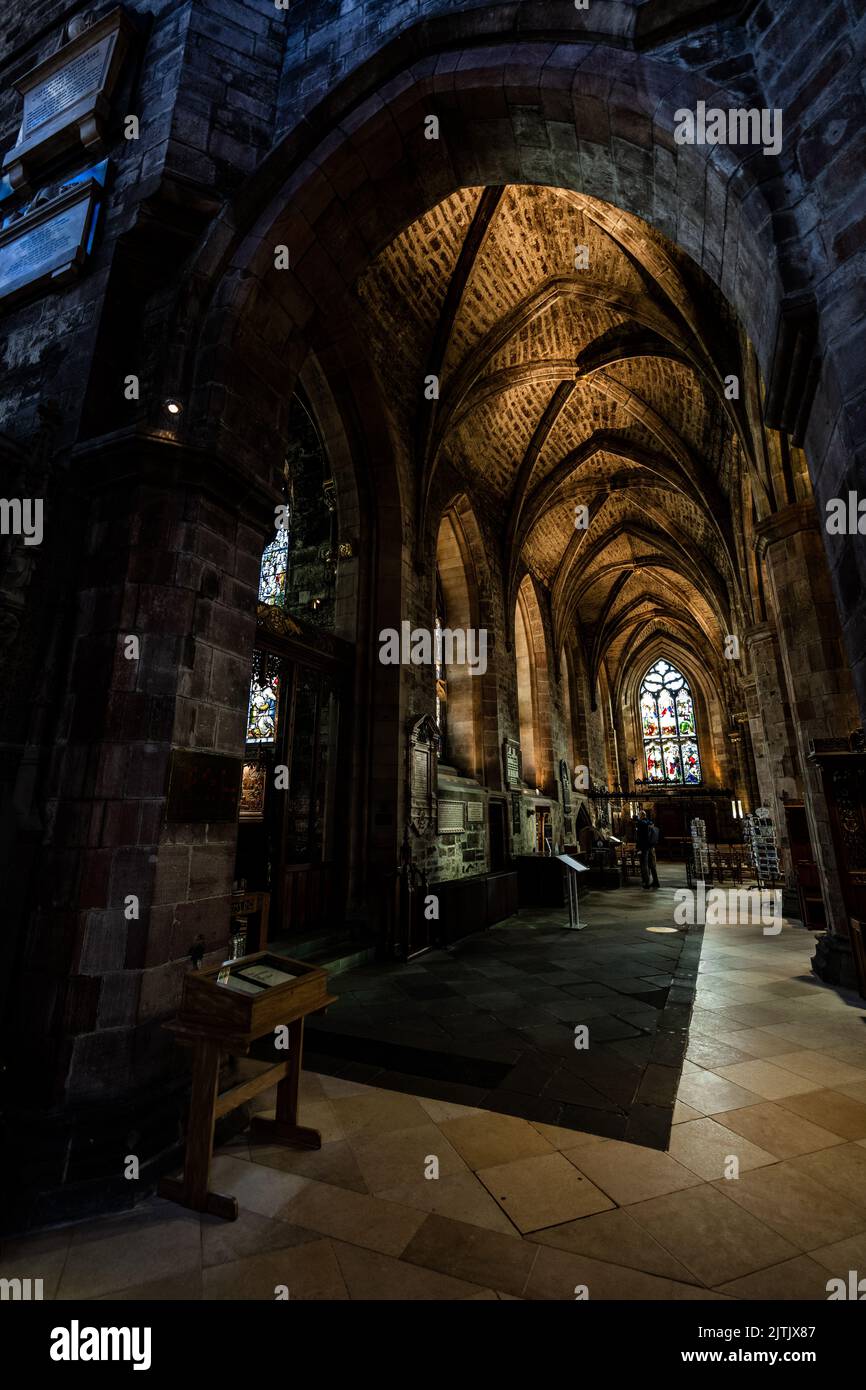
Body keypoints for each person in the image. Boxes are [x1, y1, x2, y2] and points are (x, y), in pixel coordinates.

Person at [634, 809, 660, 889]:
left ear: (641, 816)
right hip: (651, 847)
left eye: (639, 815)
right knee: (652, 865)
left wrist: (638, 848)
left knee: (644, 865)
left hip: (644, 848)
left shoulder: (641, 823)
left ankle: (646, 883)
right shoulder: (650, 822)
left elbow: (639, 838)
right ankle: (656, 882)